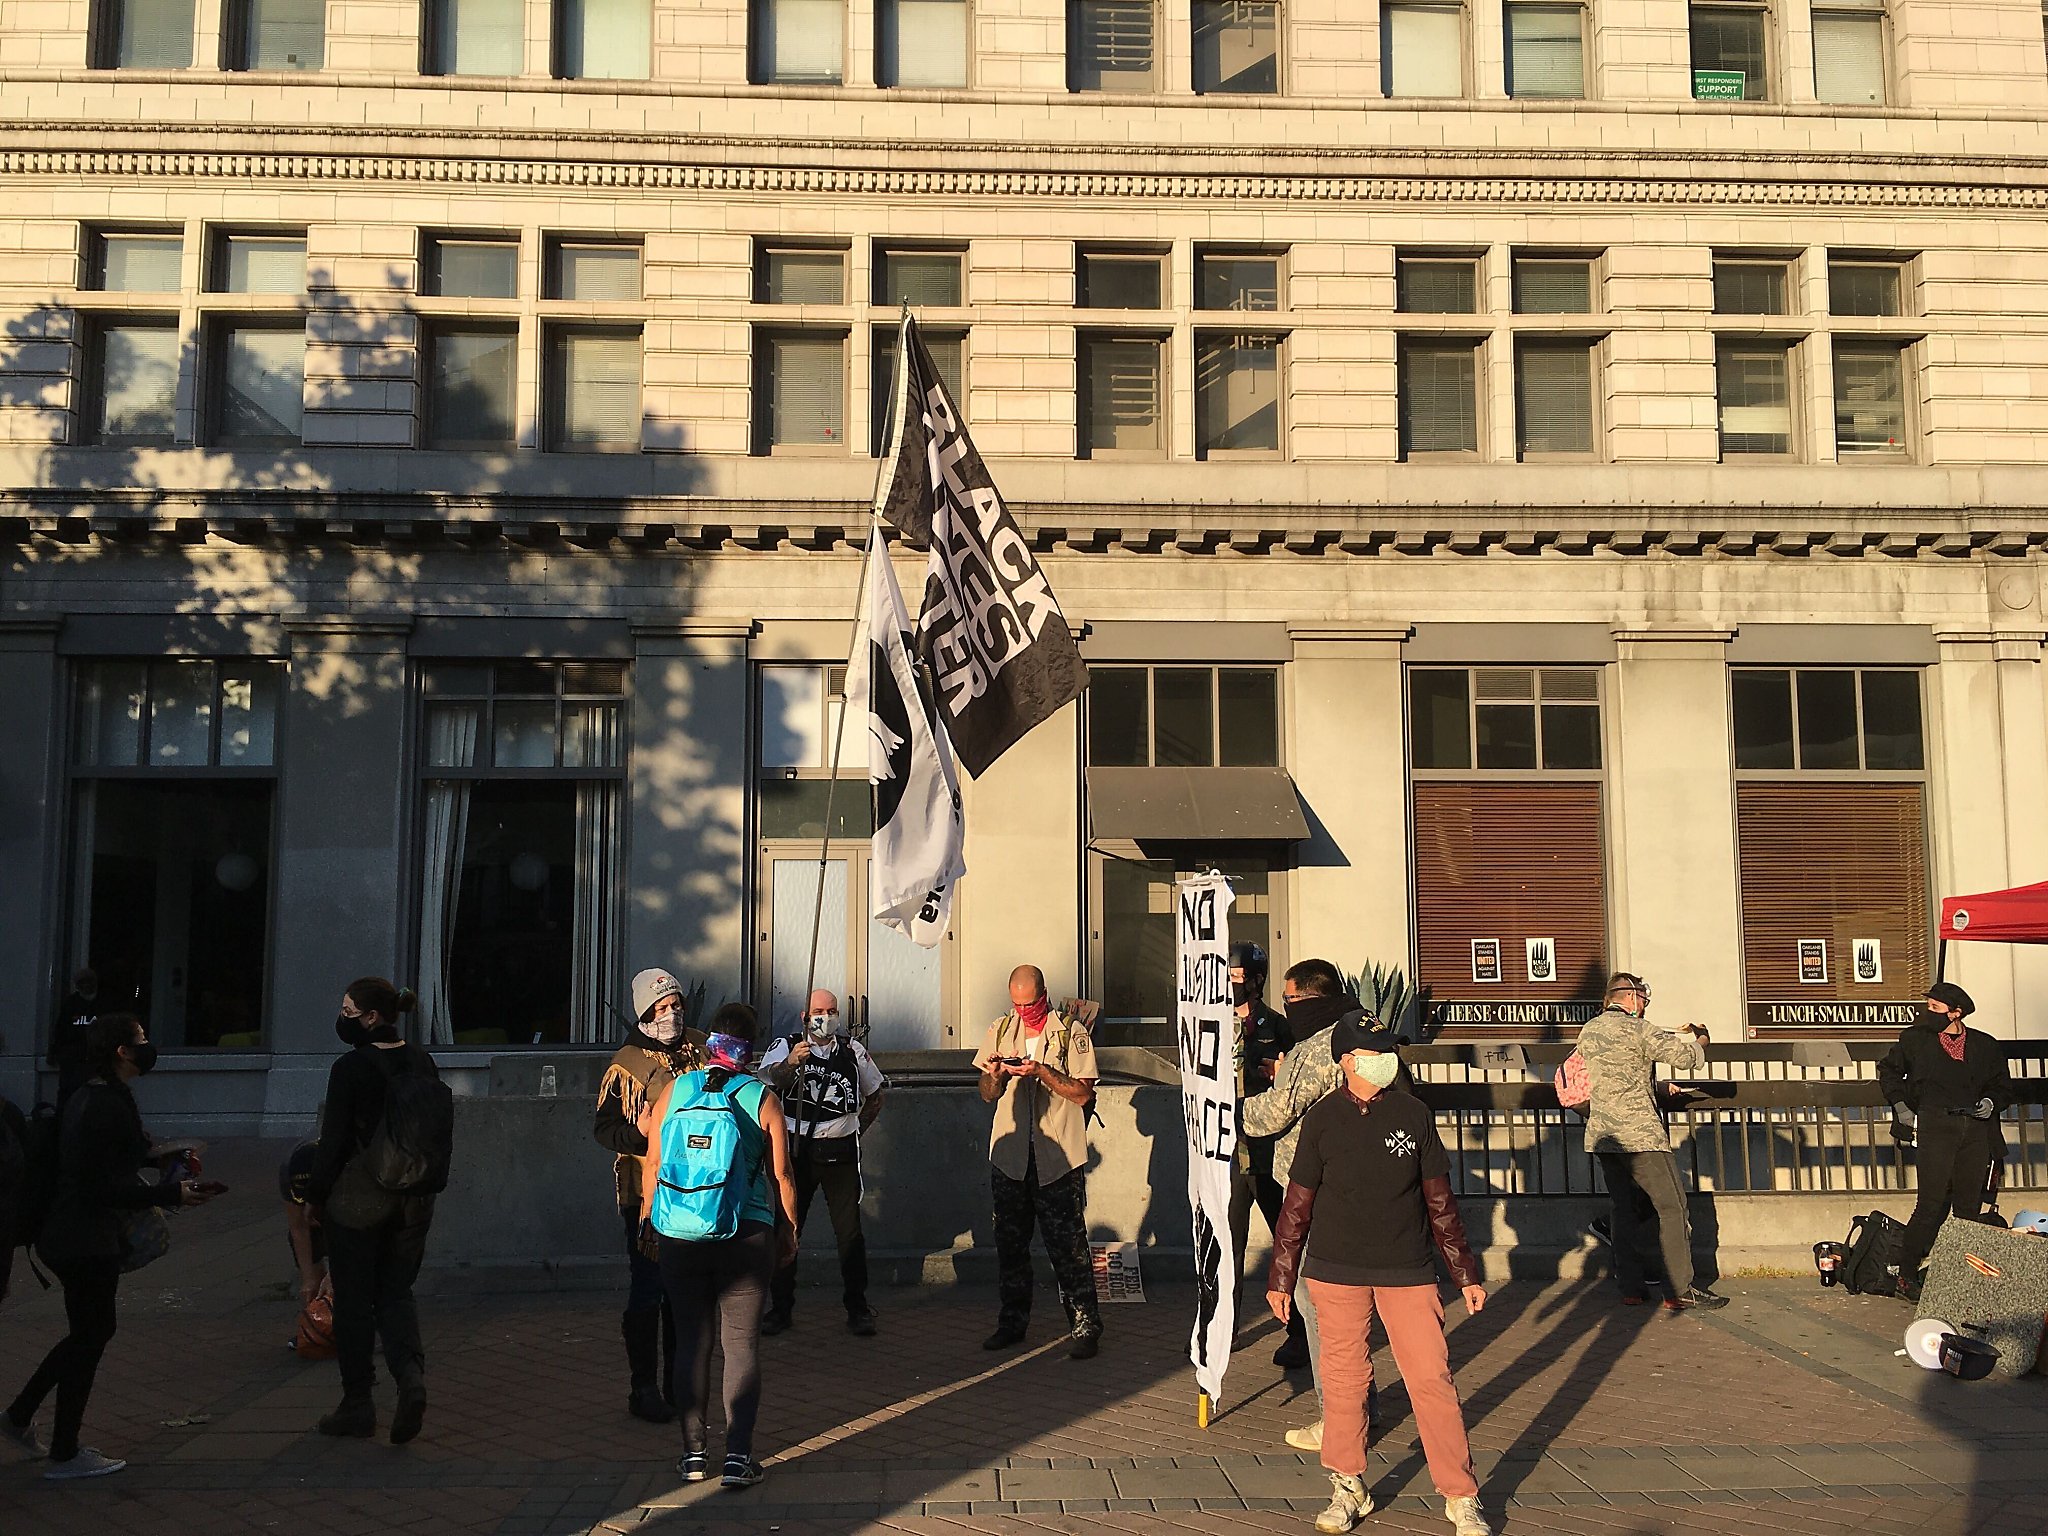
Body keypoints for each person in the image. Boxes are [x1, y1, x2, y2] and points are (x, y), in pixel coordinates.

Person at [1267, 1012, 1491, 1536]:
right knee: (1344, 1383)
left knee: (1431, 1378)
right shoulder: (1321, 1119)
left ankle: (1461, 1494)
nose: (1387, 1059)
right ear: (1347, 1061)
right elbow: (1297, 1205)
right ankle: (1347, 1485)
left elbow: (1440, 1202)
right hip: (1334, 1270)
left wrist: (1465, 1273)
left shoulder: (1414, 1113)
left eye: (1389, 1050)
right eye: (1375, 1051)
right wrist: (1282, 1277)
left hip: (1407, 1268)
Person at [4, 1013, 215, 1479]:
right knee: (90, 1335)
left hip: (71, 1234)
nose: (148, 1046)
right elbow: (102, 1187)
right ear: (122, 1051)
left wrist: (162, 1160)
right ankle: (64, 1451)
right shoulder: (105, 1104)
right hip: (83, 1238)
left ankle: (21, 1417)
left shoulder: (93, 1095)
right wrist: (171, 1194)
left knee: (88, 1333)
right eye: (141, 1039)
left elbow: (109, 1160)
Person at [1240, 959, 1405, 1452]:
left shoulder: (1319, 1047)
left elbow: (1274, 1114)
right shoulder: (1370, 1035)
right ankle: (1362, 1408)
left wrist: (1226, 1105)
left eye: (1289, 999)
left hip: (1321, 1193)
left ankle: (1339, 1418)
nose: (1286, 1008)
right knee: (1349, 1310)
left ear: (1307, 999)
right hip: (1371, 1191)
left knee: (1322, 1310)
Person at [640, 1003, 799, 1490]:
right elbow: (782, 1175)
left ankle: (693, 1456)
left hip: (680, 1232)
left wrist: (648, 1221)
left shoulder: (676, 1089)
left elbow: (653, 1163)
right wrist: (789, 1229)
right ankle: (738, 1458)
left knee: (691, 1343)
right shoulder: (762, 1097)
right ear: (750, 1047)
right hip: (745, 1235)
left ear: (710, 1042)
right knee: (741, 1346)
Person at [305, 978, 442, 1443]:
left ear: (370, 1017)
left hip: (359, 1199)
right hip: (414, 1196)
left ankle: (358, 1402)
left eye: (348, 1011)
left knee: (354, 1300)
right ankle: (411, 1379)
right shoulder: (422, 1061)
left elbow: (334, 1139)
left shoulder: (350, 1067)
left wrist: (314, 1198)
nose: (341, 1018)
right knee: (396, 1292)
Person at [973, 965, 1103, 1360]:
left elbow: (1082, 1093)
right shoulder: (1000, 1030)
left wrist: (1042, 1071)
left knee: (1068, 1246)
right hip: (1011, 1158)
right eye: (1017, 1004)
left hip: (1057, 1158)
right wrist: (996, 1075)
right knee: (1010, 1245)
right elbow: (986, 1093)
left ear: (1044, 995)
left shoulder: (1069, 1032)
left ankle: (1085, 1324)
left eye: (1030, 1004)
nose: (1024, 1011)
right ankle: (1012, 1322)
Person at [594, 967, 706, 1422]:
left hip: (698, 1189)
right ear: (644, 1013)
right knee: (649, 1288)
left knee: (685, 1291)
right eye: (661, 1008)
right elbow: (604, 1129)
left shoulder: (700, 1047)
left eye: (676, 1005)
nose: (671, 1014)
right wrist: (638, 1133)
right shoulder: (627, 1064)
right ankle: (642, 1388)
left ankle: (679, 1383)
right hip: (647, 1194)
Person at [1578, 972, 1728, 1312]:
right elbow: (1686, 1058)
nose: (1645, 1005)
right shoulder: (1639, 1029)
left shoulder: (1589, 1030)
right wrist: (1702, 1038)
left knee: (1623, 1210)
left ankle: (1631, 1287)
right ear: (1631, 997)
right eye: (1643, 998)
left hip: (1604, 1136)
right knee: (1672, 1208)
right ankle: (1679, 1289)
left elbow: (1611, 1074)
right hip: (1641, 1135)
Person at [756, 989, 887, 1337]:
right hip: (796, 1150)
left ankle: (857, 1308)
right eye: (818, 1012)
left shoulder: (852, 1050)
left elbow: (875, 1095)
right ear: (804, 1016)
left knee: (849, 1232)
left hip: (840, 1151)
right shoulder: (787, 1046)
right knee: (787, 1226)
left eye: (831, 1011)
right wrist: (790, 1064)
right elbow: (768, 1082)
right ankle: (780, 1307)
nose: (825, 1018)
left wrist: (855, 1129)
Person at [1879, 981, 2014, 1303]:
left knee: (1968, 1207)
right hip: (1935, 1124)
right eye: (1929, 1007)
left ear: (1956, 1013)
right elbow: (1889, 1071)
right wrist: (1901, 1106)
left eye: (1936, 1008)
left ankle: (1961, 1276)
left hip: (1975, 1129)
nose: (1929, 1013)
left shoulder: (1984, 1045)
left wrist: (1991, 1102)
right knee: (1929, 1204)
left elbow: (2002, 1085)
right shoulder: (1915, 1040)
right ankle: (1907, 1274)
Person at [1225, 942, 1309, 1369]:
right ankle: (1221, 1329)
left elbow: (1293, 1083)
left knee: (1286, 1240)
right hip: (1228, 1151)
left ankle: (1300, 1332)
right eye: (1227, 976)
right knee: (1226, 1244)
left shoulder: (1277, 1025)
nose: (1232, 984)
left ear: (1257, 980)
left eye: (1239, 977)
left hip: (1269, 1150)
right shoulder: (1212, 1024)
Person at [47, 967, 101, 1111]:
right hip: (73, 1059)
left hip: (96, 1057)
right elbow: (61, 1029)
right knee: (68, 1093)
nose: (86, 985)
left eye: (89, 981)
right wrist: (55, 1051)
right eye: (82, 982)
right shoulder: (71, 1004)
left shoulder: (103, 1004)